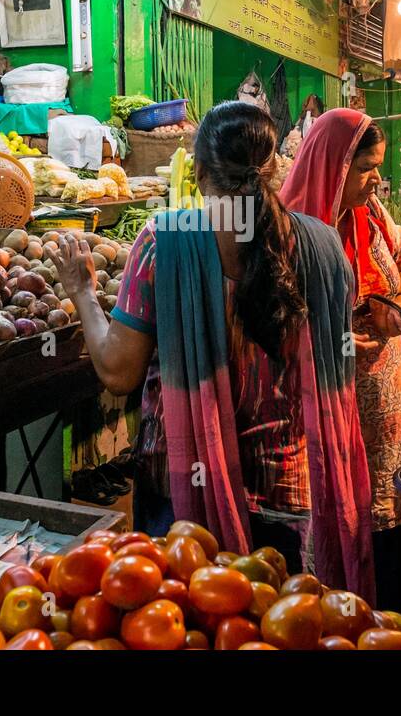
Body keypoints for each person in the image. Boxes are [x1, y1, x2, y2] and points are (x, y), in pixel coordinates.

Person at [46, 102, 376, 598]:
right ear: (273, 168)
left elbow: (118, 371)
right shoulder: (325, 247)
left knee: (193, 621)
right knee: (283, 623)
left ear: (199, 171)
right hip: (290, 489)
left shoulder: (165, 242)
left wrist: (83, 293)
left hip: (184, 491)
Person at [280, 108, 401, 618]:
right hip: (331, 413)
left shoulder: (372, 218)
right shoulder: (290, 235)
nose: (376, 181)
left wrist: (400, 305)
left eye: (379, 168)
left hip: (394, 411)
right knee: (345, 536)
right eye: (366, 168)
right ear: (332, 166)